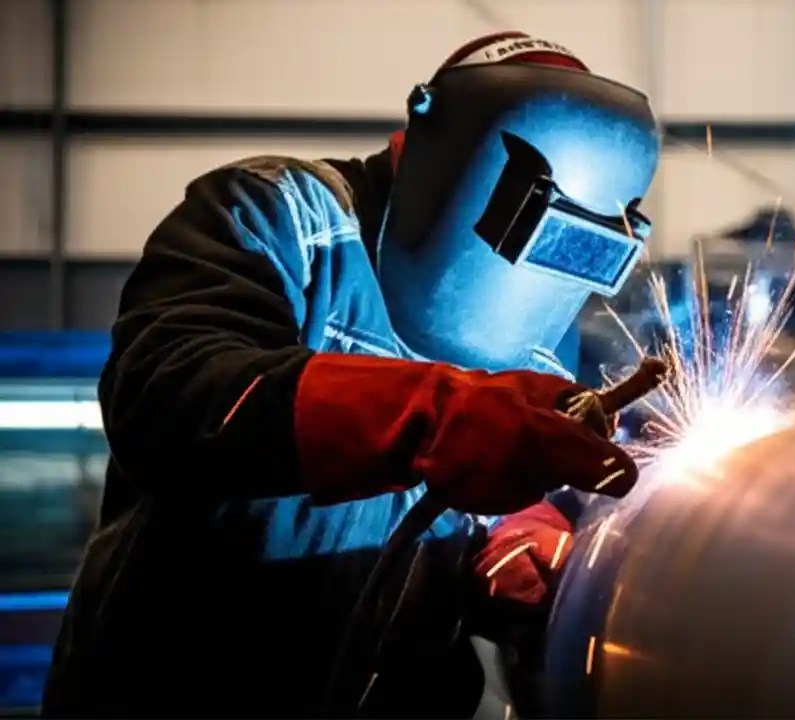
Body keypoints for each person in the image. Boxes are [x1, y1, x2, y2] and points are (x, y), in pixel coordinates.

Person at [42, 31, 661, 717]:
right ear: (426, 155)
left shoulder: (542, 336)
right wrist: (430, 416)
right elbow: (167, 395)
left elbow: (490, 487)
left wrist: (518, 533)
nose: (536, 268)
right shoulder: (281, 214)